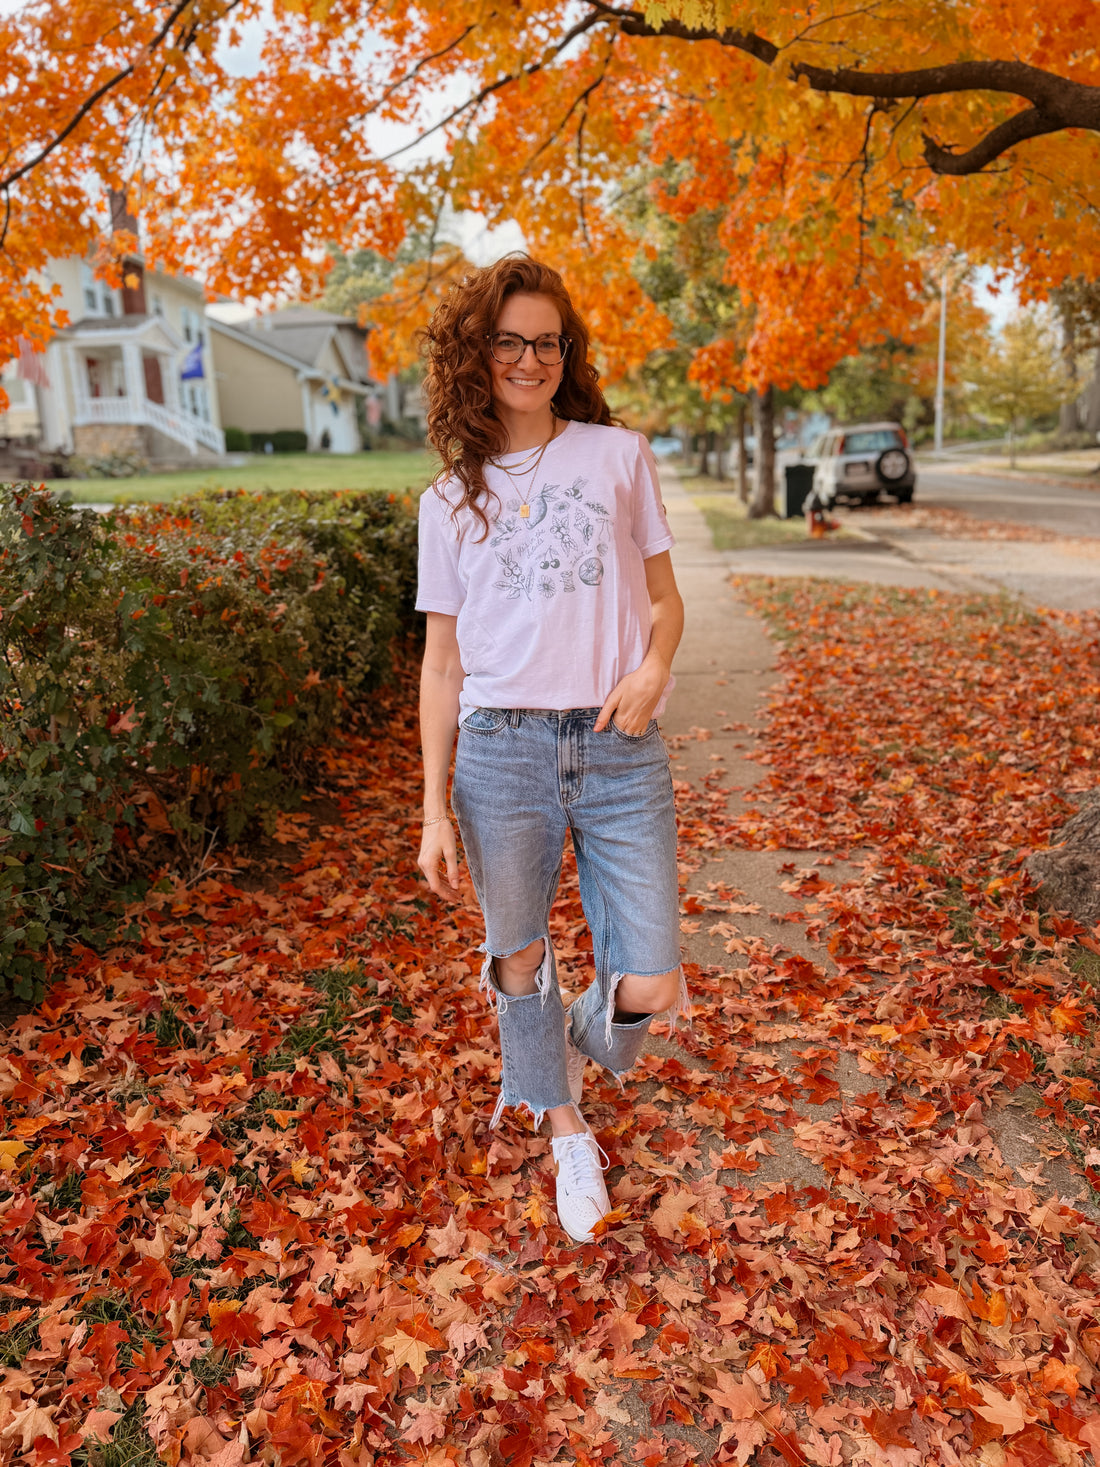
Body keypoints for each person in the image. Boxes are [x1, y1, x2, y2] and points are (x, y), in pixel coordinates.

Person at [415, 254, 687, 1244]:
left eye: (546, 342)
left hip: (617, 746)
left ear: (565, 355)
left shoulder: (617, 456)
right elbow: (442, 663)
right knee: (518, 952)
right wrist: (432, 809)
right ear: (475, 353)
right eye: (508, 341)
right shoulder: (448, 501)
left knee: (650, 980)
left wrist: (653, 669)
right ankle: (564, 1126)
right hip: (502, 754)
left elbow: (665, 602)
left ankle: (550, 1043)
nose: (528, 359)